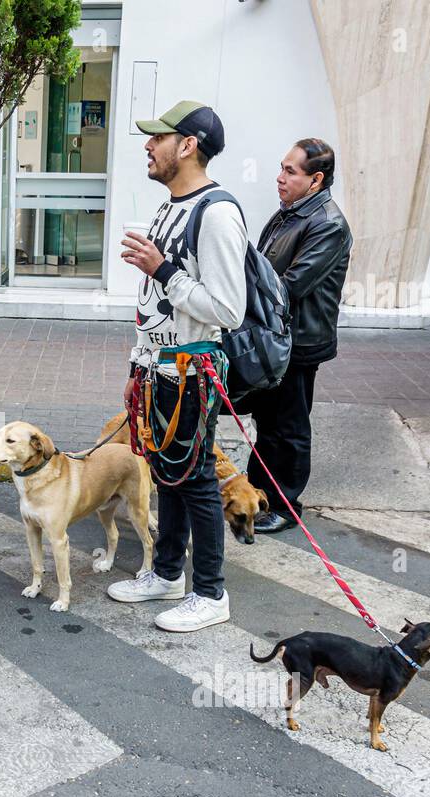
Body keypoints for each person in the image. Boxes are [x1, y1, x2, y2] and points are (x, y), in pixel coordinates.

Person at [106, 100, 247, 633]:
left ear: (188, 145)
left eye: (158, 138)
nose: (148, 145)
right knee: (169, 477)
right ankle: (166, 572)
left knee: (197, 481)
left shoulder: (217, 212)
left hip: (191, 372)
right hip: (159, 371)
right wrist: (136, 366)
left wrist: (163, 269)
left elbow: (228, 309)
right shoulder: (171, 206)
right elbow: (153, 305)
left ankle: (210, 592)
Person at [248, 139, 352, 534]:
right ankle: (259, 495)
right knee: (268, 421)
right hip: (276, 337)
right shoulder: (289, 213)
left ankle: (286, 506)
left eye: (291, 171)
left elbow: (289, 287)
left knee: (289, 427)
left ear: (316, 179)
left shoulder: (327, 223)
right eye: (281, 168)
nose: (280, 177)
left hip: (301, 343)